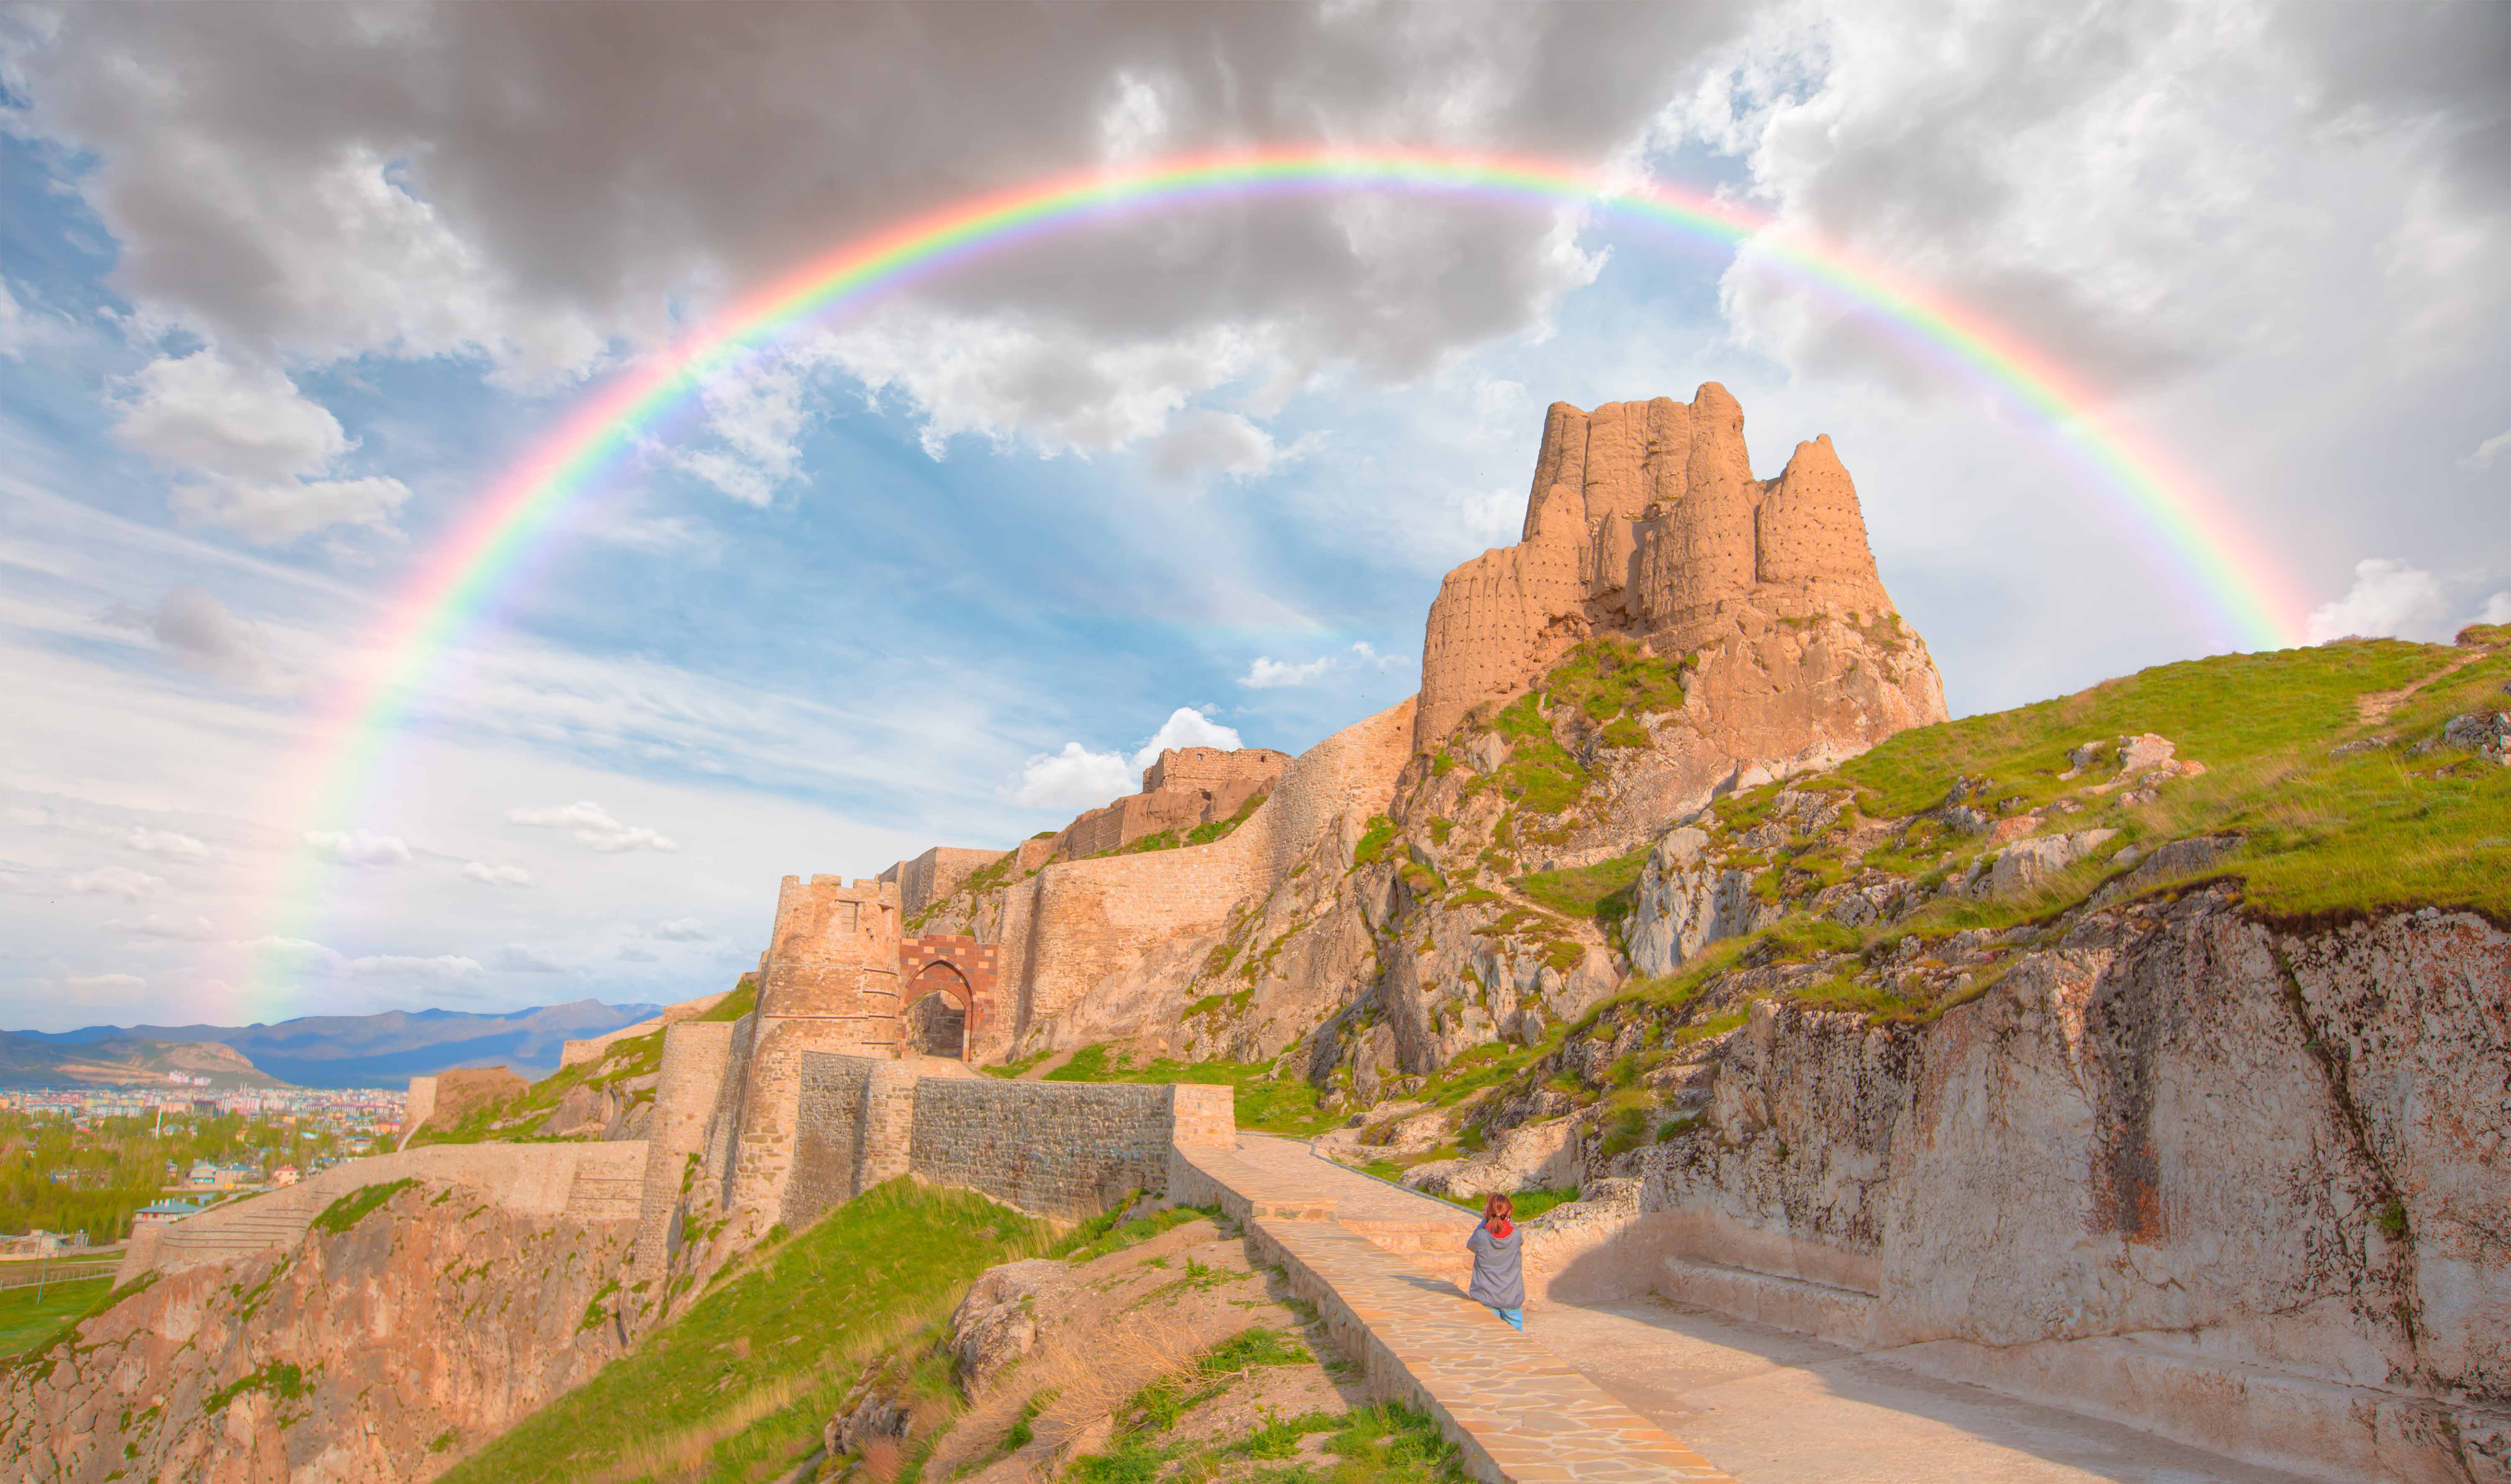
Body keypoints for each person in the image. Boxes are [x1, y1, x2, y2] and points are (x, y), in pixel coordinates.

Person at [1466, 1192, 1525, 1330]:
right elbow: (1512, 1229)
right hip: (1511, 1296)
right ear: (1509, 1213)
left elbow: (1471, 1245)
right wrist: (1506, 1217)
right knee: (1517, 1337)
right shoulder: (1516, 1236)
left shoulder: (1481, 1236)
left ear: (1488, 1214)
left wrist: (1485, 1220)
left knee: (1489, 1335)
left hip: (1486, 1296)